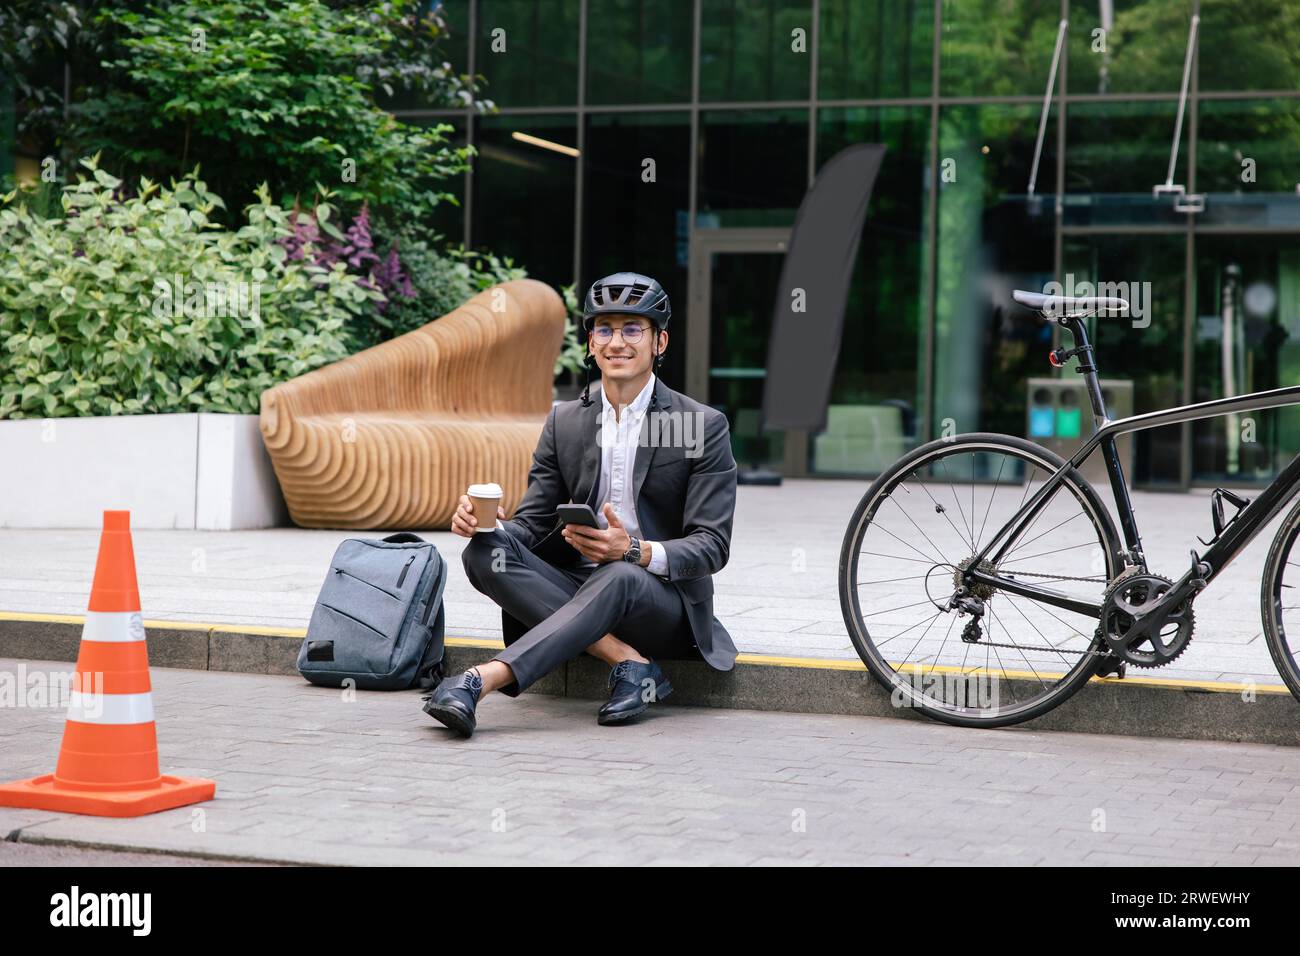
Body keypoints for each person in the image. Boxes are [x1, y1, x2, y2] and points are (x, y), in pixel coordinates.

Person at [422, 272, 739, 737]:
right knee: (484, 552)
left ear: (659, 341)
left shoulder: (700, 425)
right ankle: (626, 661)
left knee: (619, 574)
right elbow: (532, 522)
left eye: (633, 329)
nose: (617, 342)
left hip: (658, 601)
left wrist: (632, 549)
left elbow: (712, 546)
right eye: (605, 329)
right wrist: (489, 525)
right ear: (591, 343)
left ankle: (480, 679)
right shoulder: (566, 420)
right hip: (574, 585)